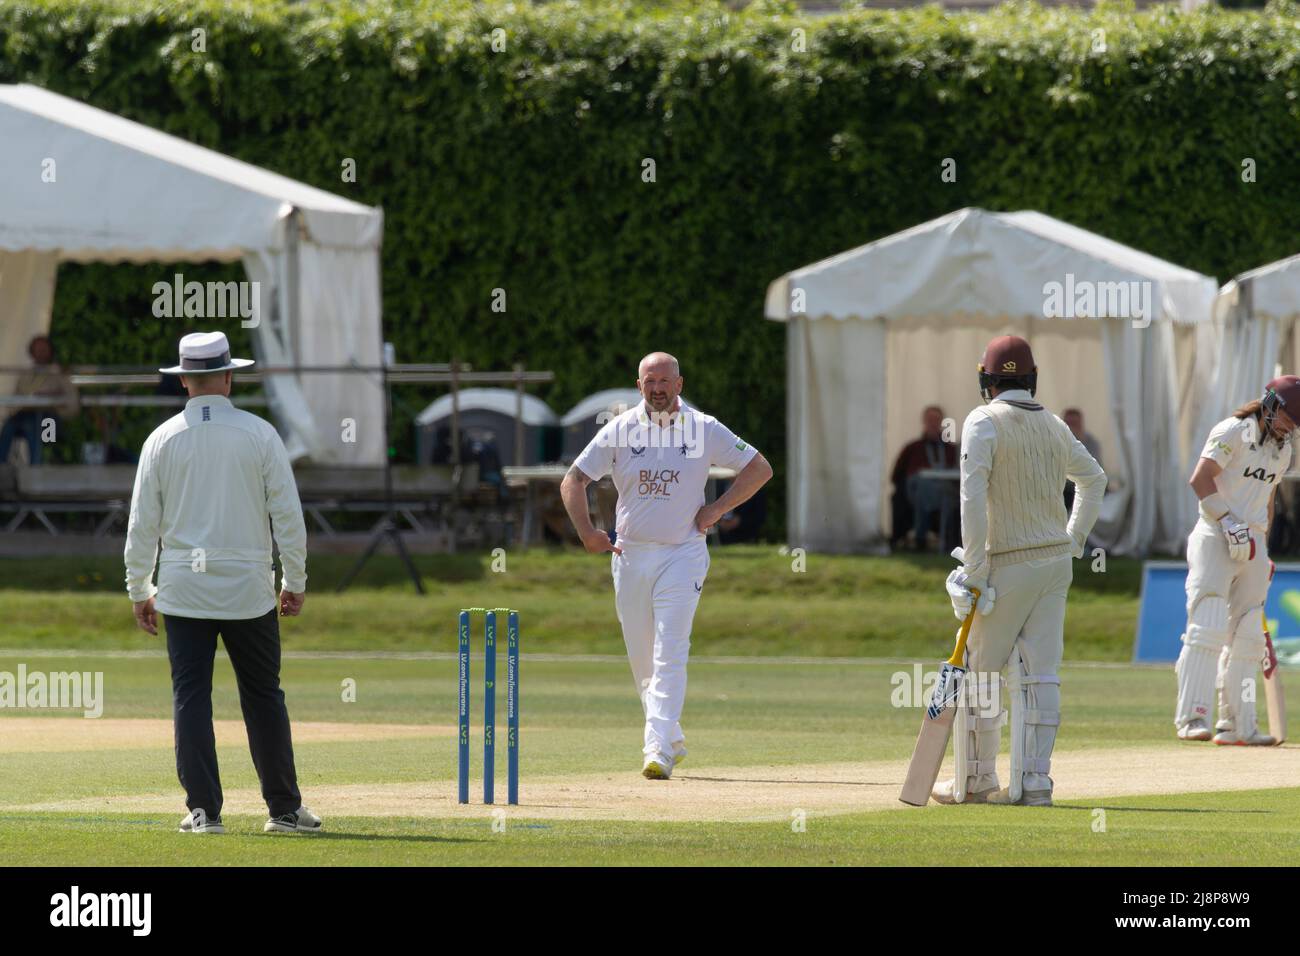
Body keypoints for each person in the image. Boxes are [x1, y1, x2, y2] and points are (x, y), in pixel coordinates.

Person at [124, 331, 318, 834]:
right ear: (229, 377)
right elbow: (288, 516)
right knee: (263, 697)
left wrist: (139, 588)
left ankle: (203, 811)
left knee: (191, 697)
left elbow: (143, 523)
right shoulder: (259, 434)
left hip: (185, 588)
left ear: (185, 380)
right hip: (247, 589)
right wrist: (294, 579)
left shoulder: (161, 440)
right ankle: (284, 811)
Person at [560, 352, 773, 779]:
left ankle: (656, 749)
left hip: (682, 554)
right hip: (631, 555)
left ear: (679, 384)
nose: (657, 388)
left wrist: (716, 510)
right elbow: (574, 480)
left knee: (669, 651)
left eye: (664, 381)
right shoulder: (620, 429)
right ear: (639, 386)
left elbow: (758, 468)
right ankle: (671, 737)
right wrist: (587, 533)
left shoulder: (704, 427)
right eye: (649, 381)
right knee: (644, 662)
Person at [936, 335, 1105, 807]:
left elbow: (971, 496)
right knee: (1041, 672)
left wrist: (972, 568)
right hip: (1053, 563)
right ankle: (1035, 783)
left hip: (1006, 562)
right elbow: (1094, 480)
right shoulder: (1053, 424)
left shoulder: (982, 420)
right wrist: (1072, 540)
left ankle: (976, 780)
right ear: (1031, 379)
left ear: (986, 381)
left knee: (981, 671)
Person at [1173, 376, 1300, 746]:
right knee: (1207, 623)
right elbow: (1200, 479)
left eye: (1296, 423)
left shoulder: (1282, 451)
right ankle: (1193, 716)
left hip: (1253, 544)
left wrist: (1263, 546)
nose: (1290, 427)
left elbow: (1267, 498)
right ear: (1271, 405)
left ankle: (1238, 725)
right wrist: (1228, 521)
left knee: (1247, 638)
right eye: (1287, 418)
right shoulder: (1233, 430)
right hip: (1215, 535)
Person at [0, 334, 79, 465]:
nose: (41, 353)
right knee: (9, 425)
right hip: (24, 416)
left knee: (34, 423)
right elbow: (14, 401)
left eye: (44, 349)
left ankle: (36, 467)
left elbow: (72, 403)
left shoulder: (59, 373)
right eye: (38, 350)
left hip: (51, 420)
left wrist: (54, 399)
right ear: (32, 352)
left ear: (50, 351)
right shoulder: (25, 375)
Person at [890, 406, 958, 552]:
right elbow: (896, 475)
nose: (933, 424)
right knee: (922, 484)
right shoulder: (912, 447)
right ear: (924, 422)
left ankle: (922, 538)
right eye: (930, 420)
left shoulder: (951, 449)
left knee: (936, 490)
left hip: (942, 490)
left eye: (936, 420)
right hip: (915, 489)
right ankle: (925, 537)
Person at [1061, 408, 1104, 512]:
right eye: (1068, 423)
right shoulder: (1056, 442)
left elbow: (1094, 469)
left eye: (1074, 423)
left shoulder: (1091, 443)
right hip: (1065, 488)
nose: (1071, 427)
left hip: (1085, 486)